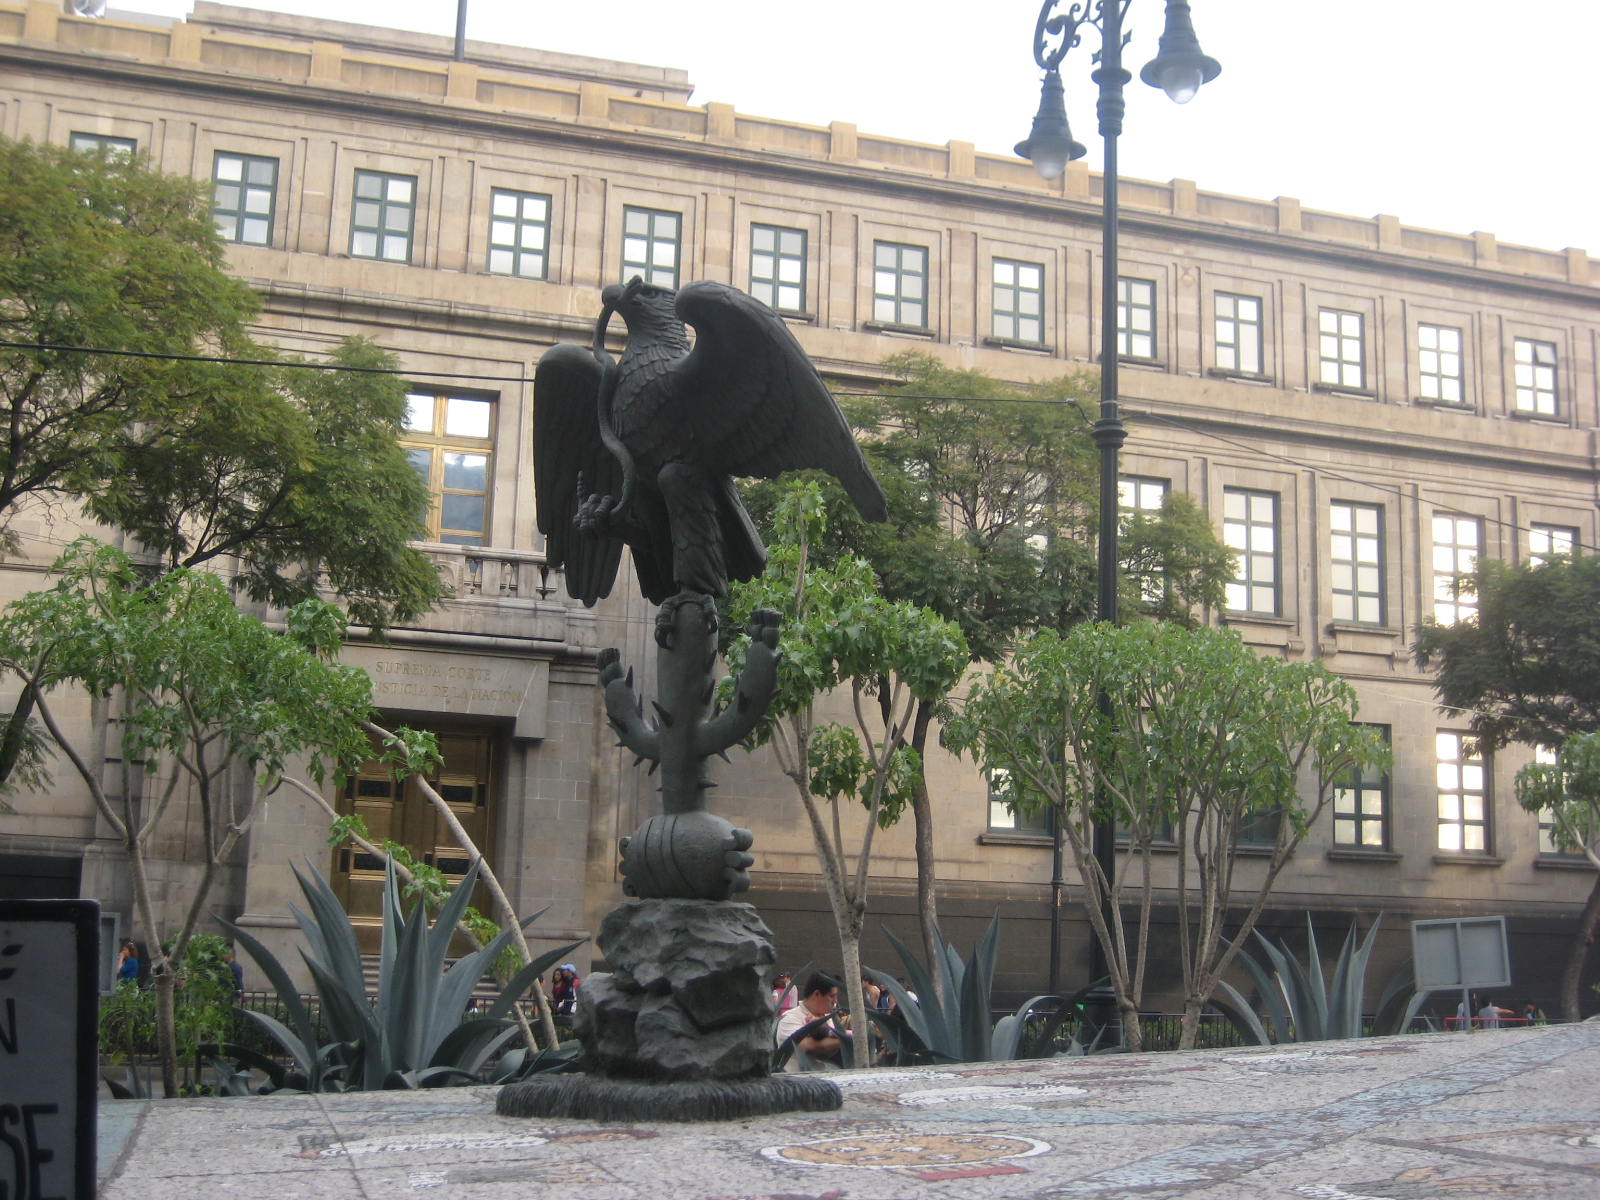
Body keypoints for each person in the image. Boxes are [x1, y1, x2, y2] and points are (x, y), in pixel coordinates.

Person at [774, 972, 843, 1071]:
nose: (835, 1001)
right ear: (817, 994)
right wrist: (844, 1040)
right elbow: (806, 1045)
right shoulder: (790, 1018)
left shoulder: (829, 1017)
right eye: (832, 996)